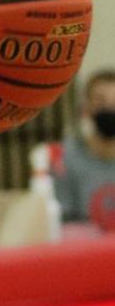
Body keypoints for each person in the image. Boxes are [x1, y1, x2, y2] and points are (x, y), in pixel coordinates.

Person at [41, 67, 115, 224]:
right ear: (85, 109)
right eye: (101, 101)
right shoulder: (65, 158)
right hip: (84, 245)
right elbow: (61, 221)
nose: (110, 108)